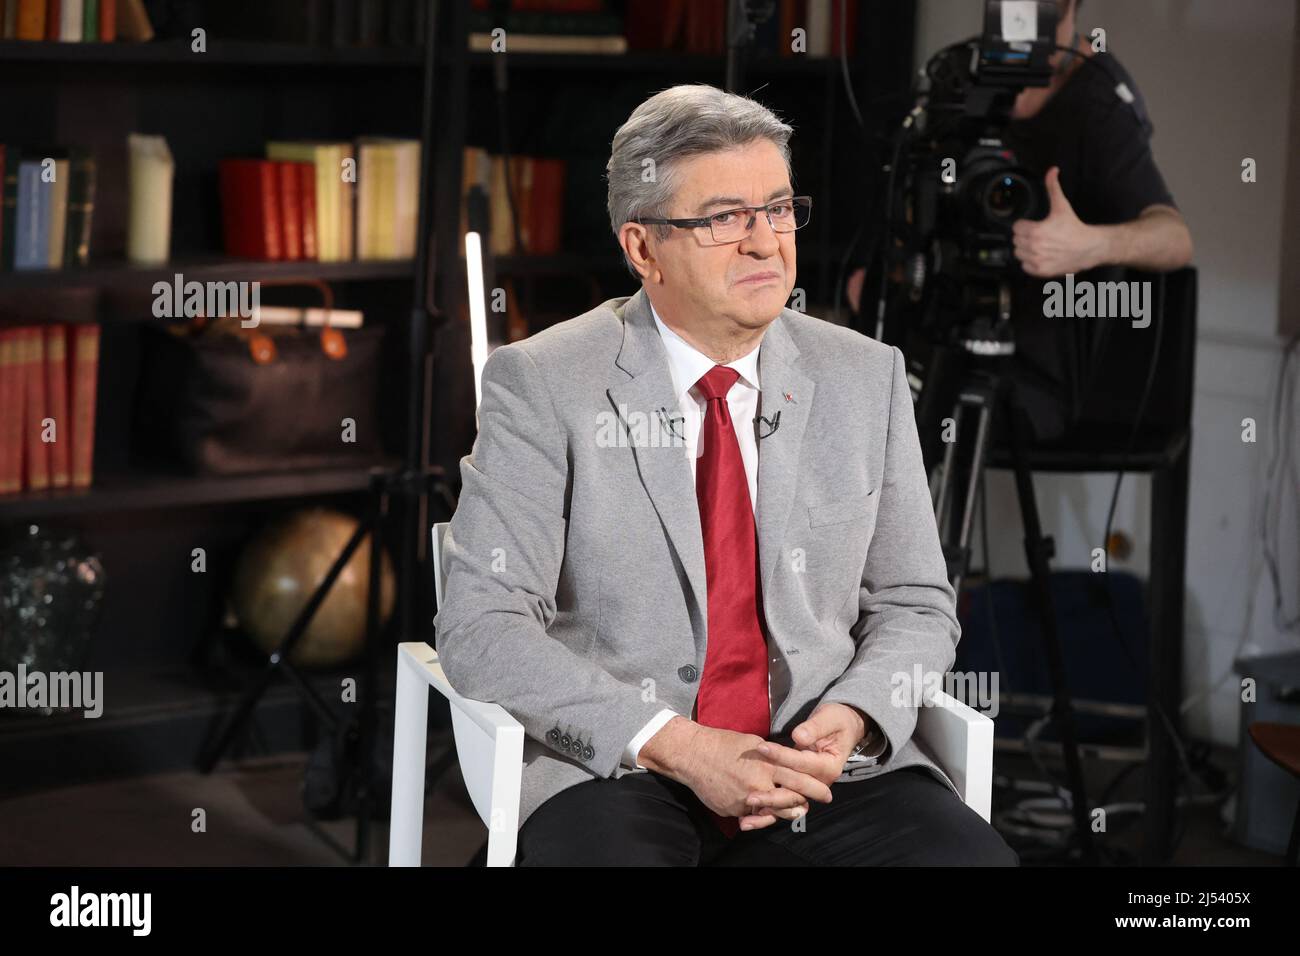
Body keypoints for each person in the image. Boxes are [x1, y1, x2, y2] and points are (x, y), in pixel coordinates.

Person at [434, 83, 1017, 866]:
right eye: (723, 219)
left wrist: (852, 716)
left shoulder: (863, 377)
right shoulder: (544, 383)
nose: (765, 242)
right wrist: (677, 744)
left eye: (778, 209)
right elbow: (481, 627)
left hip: (819, 763)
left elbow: (915, 601)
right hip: (625, 764)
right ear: (643, 249)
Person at [848, 0, 1193, 443]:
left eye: (1046, 14)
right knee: (843, 402)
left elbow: (1176, 238)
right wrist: (885, 270)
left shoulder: (1100, 101)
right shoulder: (962, 71)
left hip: (1026, 372)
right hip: (930, 329)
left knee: (893, 430)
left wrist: (1089, 245)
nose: (1030, 31)